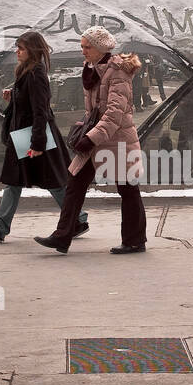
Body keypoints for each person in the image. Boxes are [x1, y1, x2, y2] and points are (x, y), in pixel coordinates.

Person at [35, 25, 147, 254]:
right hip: (96, 137)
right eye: (82, 46)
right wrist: (84, 128)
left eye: (87, 47)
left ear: (99, 48)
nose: (83, 51)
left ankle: (135, 240)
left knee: (127, 188)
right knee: (74, 183)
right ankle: (62, 236)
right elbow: (95, 109)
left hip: (118, 140)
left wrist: (91, 137)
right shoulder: (91, 68)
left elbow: (115, 112)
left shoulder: (118, 71)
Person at [0, 31, 88, 243]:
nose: (17, 51)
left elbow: (40, 111)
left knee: (50, 180)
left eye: (21, 48)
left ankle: (77, 219)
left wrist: (37, 144)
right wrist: (14, 94)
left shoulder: (36, 74)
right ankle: (1, 227)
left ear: (32, 50)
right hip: (27, 135)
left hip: (34, 135)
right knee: (16, 181)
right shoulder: (27, 71)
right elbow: (30, 102)